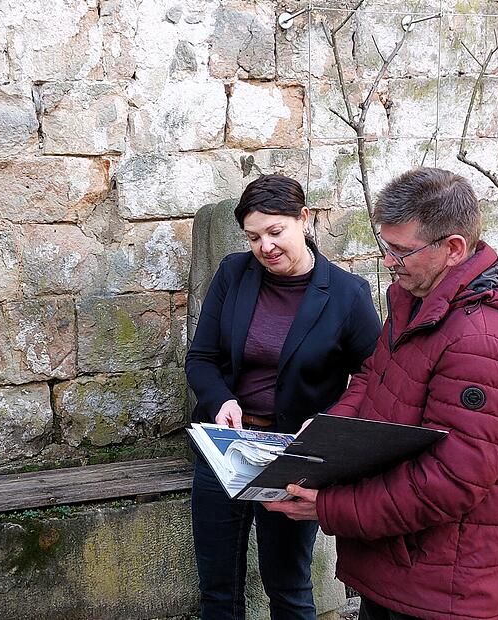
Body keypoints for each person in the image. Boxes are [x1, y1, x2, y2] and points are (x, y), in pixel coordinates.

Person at [265, 168, 498, 620]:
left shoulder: (483, 343)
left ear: (453, 249)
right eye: (386, 246)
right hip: (398, 563)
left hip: (442, 587)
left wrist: (331, 507)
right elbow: (372, 379)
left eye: (401, 251)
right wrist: (325, 434)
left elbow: (451, 481)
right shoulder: (416, 300)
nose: (388, 262)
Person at [185, 174, 381, 620]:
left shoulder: (346, 294)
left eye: (275, 232)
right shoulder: (234, 273)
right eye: (253, 237)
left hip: (293, 456)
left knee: (289, 587)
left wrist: (330, 424)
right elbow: (201, 357)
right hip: (225, 447)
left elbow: (373, 373)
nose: (265, 247)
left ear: (303, 219)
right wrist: (221, 401)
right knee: (217, 591)